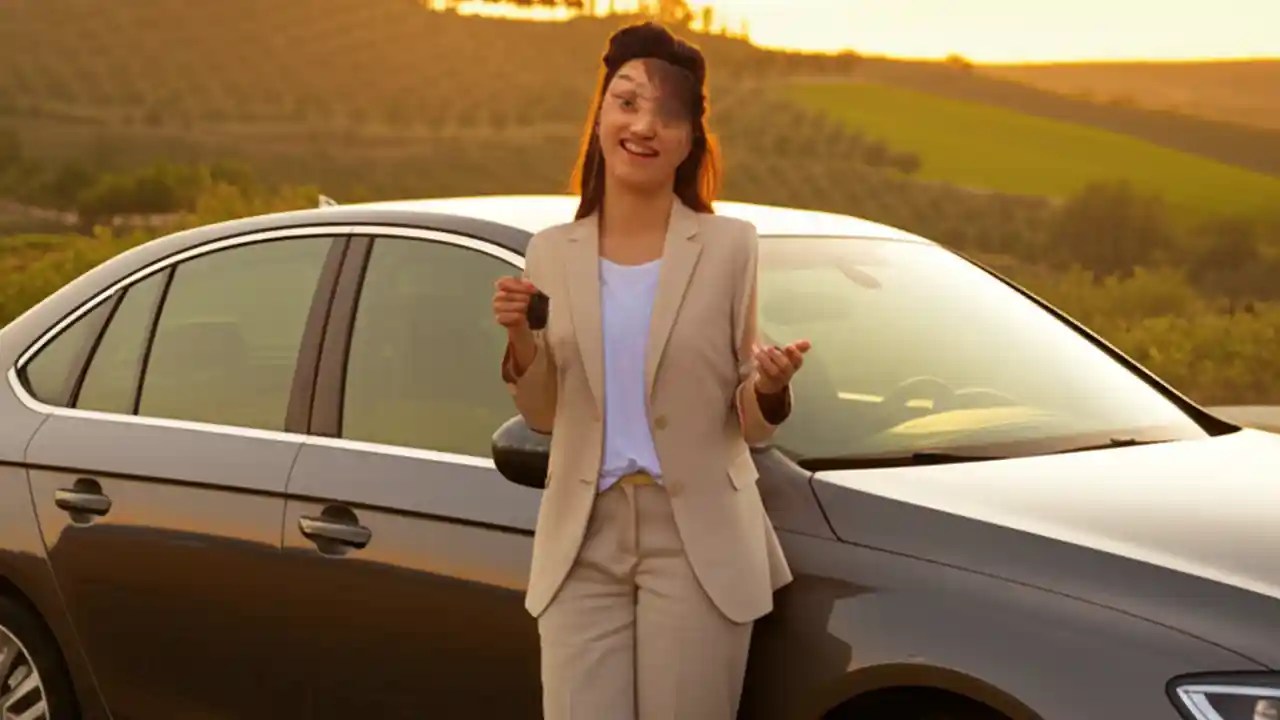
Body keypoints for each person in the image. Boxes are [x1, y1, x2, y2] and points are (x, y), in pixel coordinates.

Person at [491, 21, 810, 720]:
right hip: (583, 539)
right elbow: (545, 415)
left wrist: (769, 387)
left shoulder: (728, 246)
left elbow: (747, 423)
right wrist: (520, 339)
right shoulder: (549, 252)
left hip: (695, 538)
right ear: (600, 115)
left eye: (667, 114)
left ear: (690, 140)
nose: (644, 125)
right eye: (627, 102)